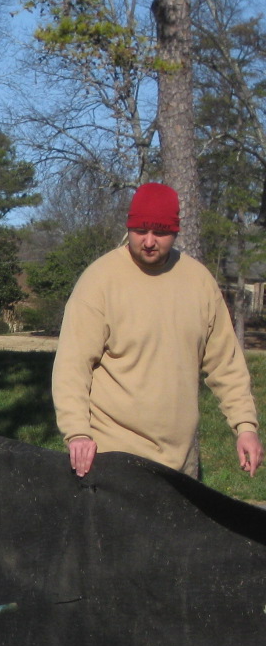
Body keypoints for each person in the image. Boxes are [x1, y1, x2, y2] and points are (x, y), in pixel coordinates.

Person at [53, 182, 261, 480]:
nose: (149, 241)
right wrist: (77, 434)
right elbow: (72, 367)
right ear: (129, 227)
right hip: (113, 459)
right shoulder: (99, 281)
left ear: (175, 232)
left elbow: (226, 364)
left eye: (160, 232)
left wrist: (245, 427)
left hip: (182, 466)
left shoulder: (198, 282)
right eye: (141, 231)